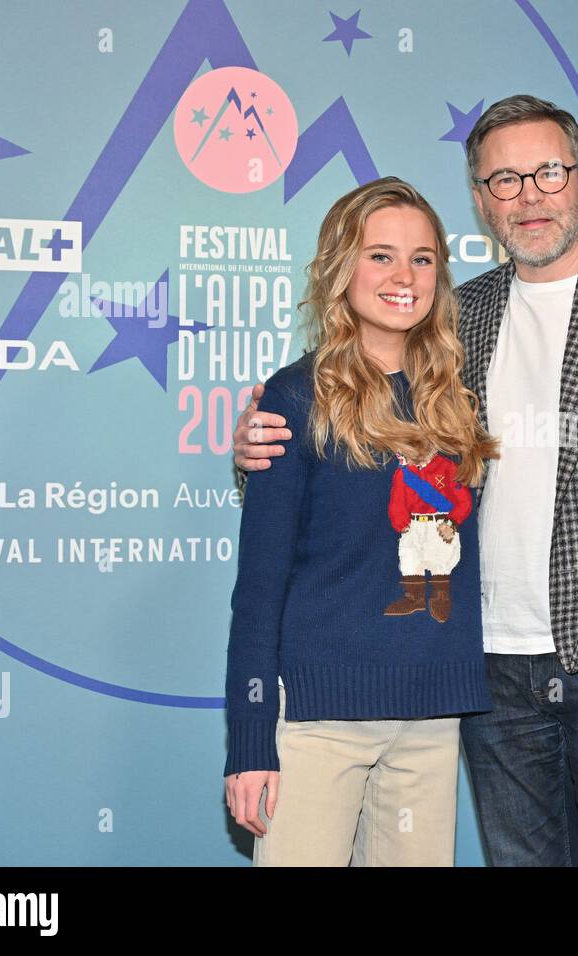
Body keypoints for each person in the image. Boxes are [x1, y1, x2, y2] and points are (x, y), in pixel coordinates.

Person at [233, 95, 578, 866]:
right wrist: (259, 445)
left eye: (547, 172)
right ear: (480, 200)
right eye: (503, 180)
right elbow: (364, 438)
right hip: (483, 671)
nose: (529, 196)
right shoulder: (457, 317)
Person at [223, 176, 498, 866]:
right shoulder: (294, 396)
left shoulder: (459, 399)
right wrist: (251, 741)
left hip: (432, 721)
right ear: (341, 267)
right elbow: (259, 589)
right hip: (319, 723)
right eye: (380, 255)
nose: (404, 276)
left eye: (423, 257)